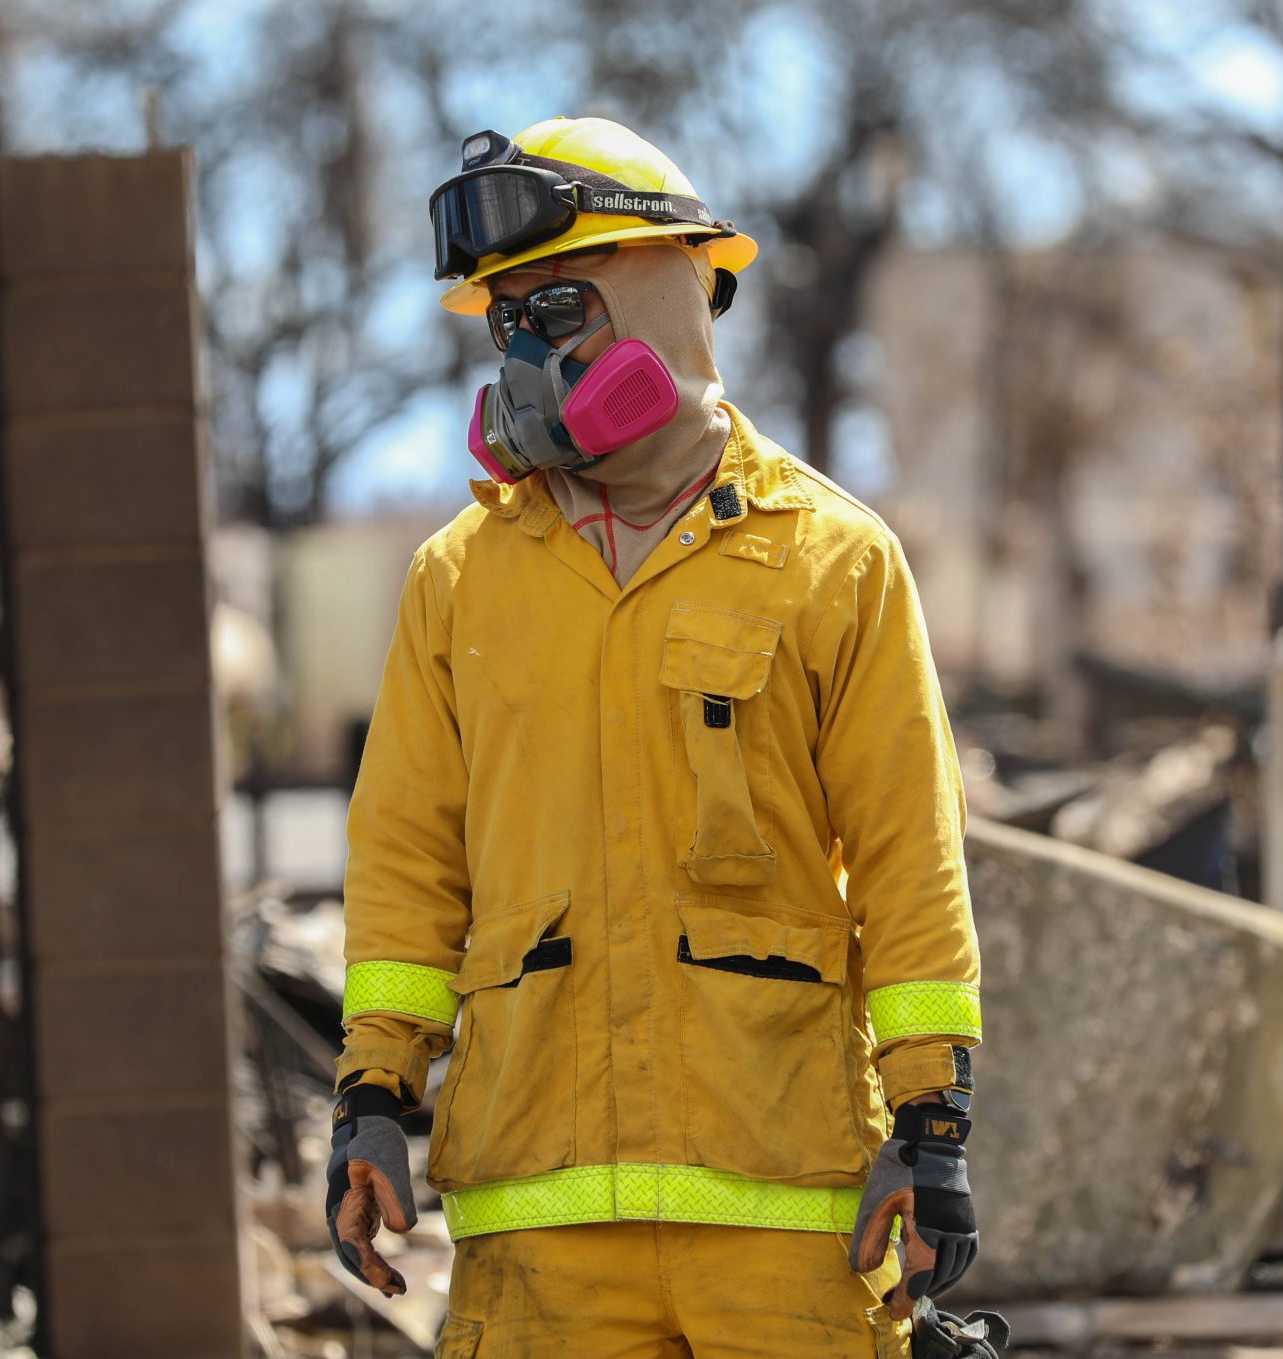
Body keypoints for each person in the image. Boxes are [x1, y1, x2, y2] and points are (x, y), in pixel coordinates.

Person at [326, 115, 985, 1358]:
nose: (524, 353)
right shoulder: (459, 581)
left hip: (785, 1209)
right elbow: (406, 859)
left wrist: (931, 1121)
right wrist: (370, 1096)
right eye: (505, 322)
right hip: (538, 1214)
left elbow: (910, 859)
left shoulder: (831, 560)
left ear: (666, 295)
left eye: (556, 311)